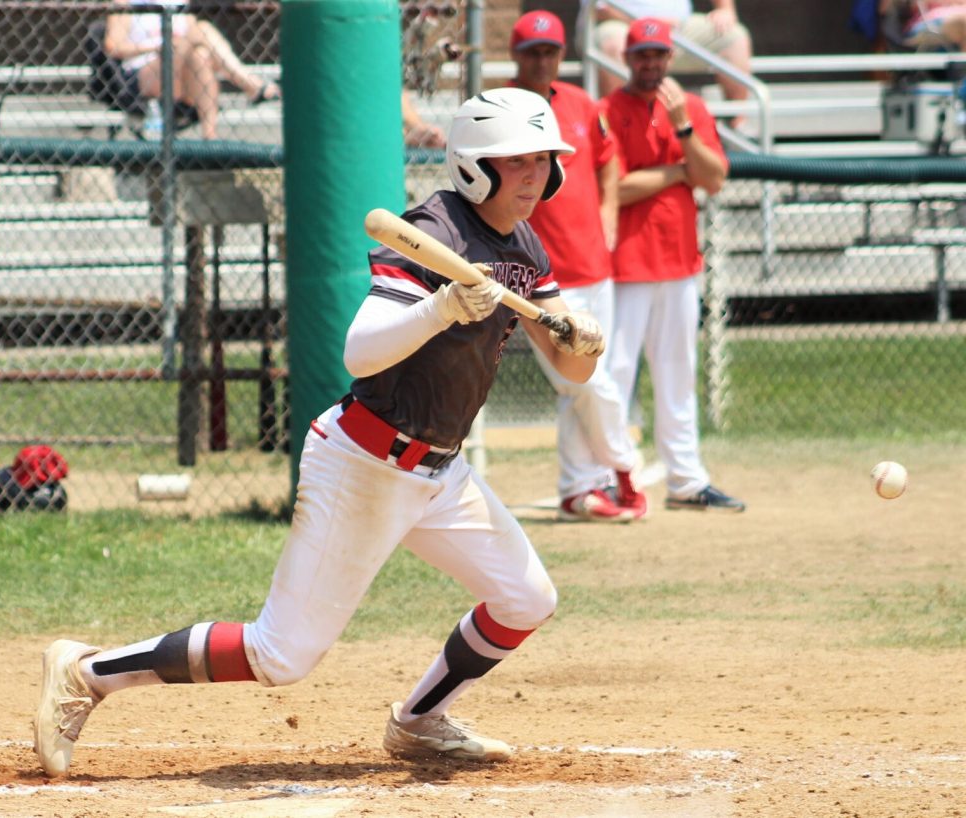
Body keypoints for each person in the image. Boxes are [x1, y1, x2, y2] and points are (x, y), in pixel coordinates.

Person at [32, 86, 606, 778]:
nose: (535, 175)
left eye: (543, 161)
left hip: (440, 472)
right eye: (517, 162)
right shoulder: (437, 232)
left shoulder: (524, 243)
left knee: (527, 598)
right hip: (366, 462)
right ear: (474, 167)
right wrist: (443, 308)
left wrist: (582, 338)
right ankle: (86, 672)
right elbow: (360, 353)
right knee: (280, 655)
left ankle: (418, 723)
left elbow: (570, 372)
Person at [601, 18, 745, 513]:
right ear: (627, 58)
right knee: (615, 375)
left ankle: (686, 481)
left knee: (677, 376)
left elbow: (714, 178)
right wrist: (677, 173)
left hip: (679, 263)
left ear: (670, 57)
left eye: (658, 54)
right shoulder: (608, 110)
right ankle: (606, 478)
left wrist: (683, 128)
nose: (650, 63)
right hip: (625, 265)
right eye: (642, 54)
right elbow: (616, 190)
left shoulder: (692, 108)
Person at [508, 10, 646, 523]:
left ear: (562, 55)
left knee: (582, 385)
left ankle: (579, 490)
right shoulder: (501, 109)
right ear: (515, 55)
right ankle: (624, 465)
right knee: (583, 379)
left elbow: (609, 161)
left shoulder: (583, 103)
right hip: (540, 274)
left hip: (594, 265)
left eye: (550, 51)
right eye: (532, 52)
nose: (542, 60)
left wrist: (609, 214)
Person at [103, 0, 281, 140]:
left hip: (184, 72)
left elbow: (193, 35)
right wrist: (158, 46)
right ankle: (251, 84)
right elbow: (113, 46)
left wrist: (176, 44)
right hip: (143, 72)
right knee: (202, 30)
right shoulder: (127, 1)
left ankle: (210, 137)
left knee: (201, 54)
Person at [576, 0, 753, 107]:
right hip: (621, 25)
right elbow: (600, 9)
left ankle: (736, 128)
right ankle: (618, 125)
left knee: (734, 36)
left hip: (678, 28)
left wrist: (725, 9)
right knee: (613, 43)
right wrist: (653, 24)